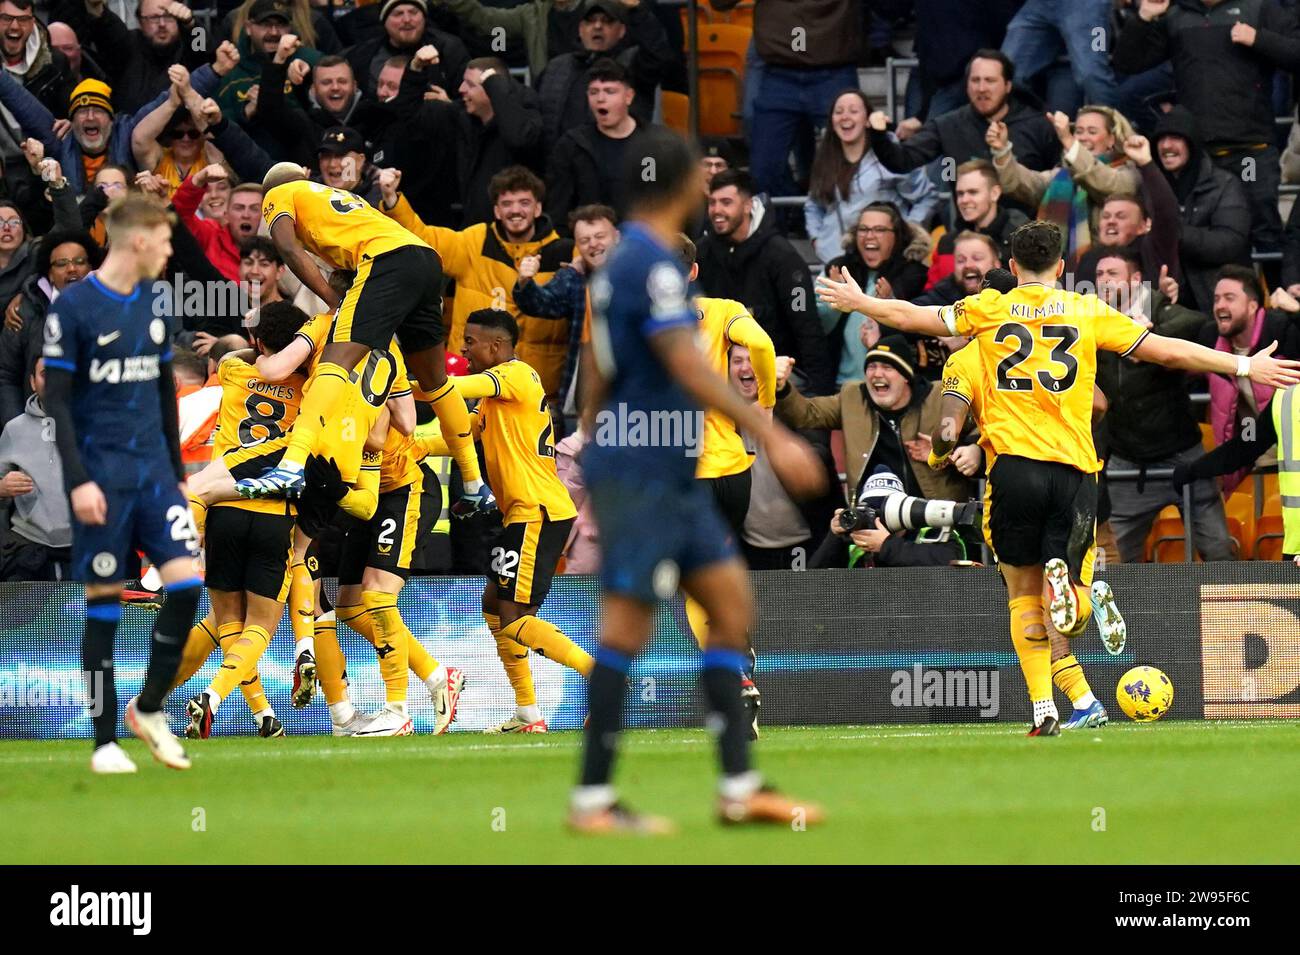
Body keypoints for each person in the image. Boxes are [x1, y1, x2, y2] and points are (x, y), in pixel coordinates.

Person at [816, 219, 1300, 734]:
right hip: (1074, 473)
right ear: (1063, 267)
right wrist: (1244, 368)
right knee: (1071, 593)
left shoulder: (987, 310)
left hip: (1013, 472)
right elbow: (1168, 350)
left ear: (1013, 266)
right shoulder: (1086, 309)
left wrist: (861, 302)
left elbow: (912, 315)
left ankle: (1044, 708)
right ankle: (1076, 604)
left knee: (1021, 593)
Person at [571, 127, 825, 832]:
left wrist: (593, 432)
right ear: (686, 188)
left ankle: (739, 787)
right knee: (627, 628)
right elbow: (685, 363)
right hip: (646, 471)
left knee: (729, 600)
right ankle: (594, 798)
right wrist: (771, 431)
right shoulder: (653, 262)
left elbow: (595, 362)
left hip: (655, 467)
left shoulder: (616, 261)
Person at [220, 163, 490, 517]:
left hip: (386, 262)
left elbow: (287, 249)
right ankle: (473, 483)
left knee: (334, 361)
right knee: (436, 382)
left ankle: (290, 467)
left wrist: (334, 302)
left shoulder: (282, 193)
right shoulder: (340, 198)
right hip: (425, 261)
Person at [41, 194, 202, 773]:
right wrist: (77, 481)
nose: (168, 251)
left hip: (156, 477)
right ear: (138, 241)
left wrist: (179, 477)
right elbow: (56, 404)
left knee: (186, 586)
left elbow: (163, 392)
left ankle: (149, 707)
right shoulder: (76, 309)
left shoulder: (153, 305)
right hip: (102, 481)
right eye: (163, 241)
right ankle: (104, 741)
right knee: (103, 606)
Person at [934, 331, 1118, 730]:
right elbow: (1100, 403)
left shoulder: (971, 356)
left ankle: (1044, 707)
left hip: (1013, 482)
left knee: (1026, 601)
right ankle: (1084, 694)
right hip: (1075, 476)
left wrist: (943, 453)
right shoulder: (1053, 337)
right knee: (1058, 599)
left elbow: (947, 429)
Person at [436, 308, 591, 735]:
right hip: (524, 514)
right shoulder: (494, 399)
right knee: (494, 607)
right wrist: (408, 442)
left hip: (539, 511)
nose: (463, 348)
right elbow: (459, 434)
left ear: (497, 347)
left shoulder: (517, 375)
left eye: (470, 341)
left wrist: (402, 385)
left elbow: (455, 386)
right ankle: (528, 713)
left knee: (514, 617)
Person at [178, 301, 313, 739]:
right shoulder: (311, 385)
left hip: (223, 510)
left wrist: (253, 349)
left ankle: (262, 715)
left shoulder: (236, 374)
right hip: (276, 511)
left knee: (226, 620)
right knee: (260, 625)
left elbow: (228, 356)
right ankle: (219, 697)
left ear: (259, 342)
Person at [1114, 0, 1300, 260]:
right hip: (1200, 155)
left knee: (1264, 232)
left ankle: (1275, 300)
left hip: (1251, 149)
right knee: (1202, 234)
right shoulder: (1176, 14)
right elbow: (1127, 63)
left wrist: (1259, 38)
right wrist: (1144, 17)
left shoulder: (1259, 7)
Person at [377, 163, 574, 396]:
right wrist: (391, 200)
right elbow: (425, 239)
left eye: (524, 202)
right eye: (507, 204)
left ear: (538, 208)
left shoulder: (564, 253)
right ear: (497, 211)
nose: (515, 211)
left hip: (536, 389)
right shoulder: (475, 241)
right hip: (470, 383)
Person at [1093, 247, 1234, 562]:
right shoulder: (1092, 322)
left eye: (1112, 274)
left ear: (1137, 280)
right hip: (1127, 460)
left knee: (1219, 551)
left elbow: (1197, 323)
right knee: (1111, 562)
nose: (1103, 281)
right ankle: (1115, 612)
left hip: (1182, 455)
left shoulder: (1161, 310)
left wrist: (1155, 337)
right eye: (1099, 275)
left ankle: (1235, 611)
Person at [697, 169, 833, 396]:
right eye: (712, 203)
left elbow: (807, 328)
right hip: (718, 376)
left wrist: (819, 394)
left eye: (726, 202)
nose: (717, 211)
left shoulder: (783, 258)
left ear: (749, 205)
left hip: (776, 373)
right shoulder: (702, 253)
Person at [866, 50, 1059, 197]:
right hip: (968, 239)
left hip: (1027, 237)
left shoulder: (1038, 125)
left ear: (1008, 86)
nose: (981, 88)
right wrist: (878, 135)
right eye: (975, 80)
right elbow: (902, 160)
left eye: (990, 81)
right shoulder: (948, 124)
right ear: (966, 85)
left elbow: (1060, 182)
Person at [804, 88, 938, 267]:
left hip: (886, 263)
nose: (845, 117)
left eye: (853, 111)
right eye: (839, 112)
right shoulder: (825, 157)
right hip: (835, 262)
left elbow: (926, 196)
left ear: (868, 119)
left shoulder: (890, 154)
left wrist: (907, 229)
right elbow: (813, 204)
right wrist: (817, 239)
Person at [1197, 265, 1300, 494]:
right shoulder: (1211, 341)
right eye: (1216, 299)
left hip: (1293, 456)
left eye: (1229, 298)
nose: (1220, 305)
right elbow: (1248, 431)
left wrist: (1297, 312)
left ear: (1253, 305)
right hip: (1255, 454)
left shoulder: (1283, 330)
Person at [513, 203, 618, 417]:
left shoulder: (639, 272)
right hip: (582, 399)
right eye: (585, 240)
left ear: (616, 236)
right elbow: (541, 303)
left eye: (600, 236)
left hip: (632, 394)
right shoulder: (573, 277)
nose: (593, 245)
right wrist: (525, 282)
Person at [1151, 106, 1251, 313]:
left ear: (1192, 144)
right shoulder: (1150, 185)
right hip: (1163, 294)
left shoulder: (1224, 184)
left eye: (1175, 138)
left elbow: (1229, 242)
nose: (1166, 145)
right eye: (1161, 139)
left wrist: (1175, 233)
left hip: (1212, 295)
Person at [534, 0, 674, 147]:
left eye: (607, 21)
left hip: (617, 163)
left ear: (621, 31)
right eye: (590, 21)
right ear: (580, 29)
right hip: (560, 164)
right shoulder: (555, 67)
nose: (598, 26)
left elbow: (658, 55)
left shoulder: (633, 65)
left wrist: (637, 12)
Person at [821, 202, 928, 387]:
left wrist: (890, 301)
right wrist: (834, 304)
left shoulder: (915, 274)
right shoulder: (836, 268)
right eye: (863, 229)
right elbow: (818, 327)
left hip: (895, 386)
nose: (869, 236)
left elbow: (919, 328)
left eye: (879, 229)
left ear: (897, 236)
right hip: (842, 384)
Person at [545, 58, 653, 231]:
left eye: (610, 91)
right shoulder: (572, 146)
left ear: (628, 96)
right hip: (590, 246)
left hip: (642, 243)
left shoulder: (653, 144)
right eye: (594, 92)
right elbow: (558, 209)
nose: (600, 99)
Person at [0, 358, 73, 581]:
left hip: (86, 546)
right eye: (44, 374)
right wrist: (2, 487)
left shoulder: (95, 425)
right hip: (29, 549)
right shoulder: (14, 429)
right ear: (32, 382)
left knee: (83, 616)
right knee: (24, 617)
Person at [927, 160, 1027, 285]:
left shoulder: (1020, 241)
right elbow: (933, 292)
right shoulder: (947, 243)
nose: (964, 200)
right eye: (960, 193)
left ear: (994, 193)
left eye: (973, 192)